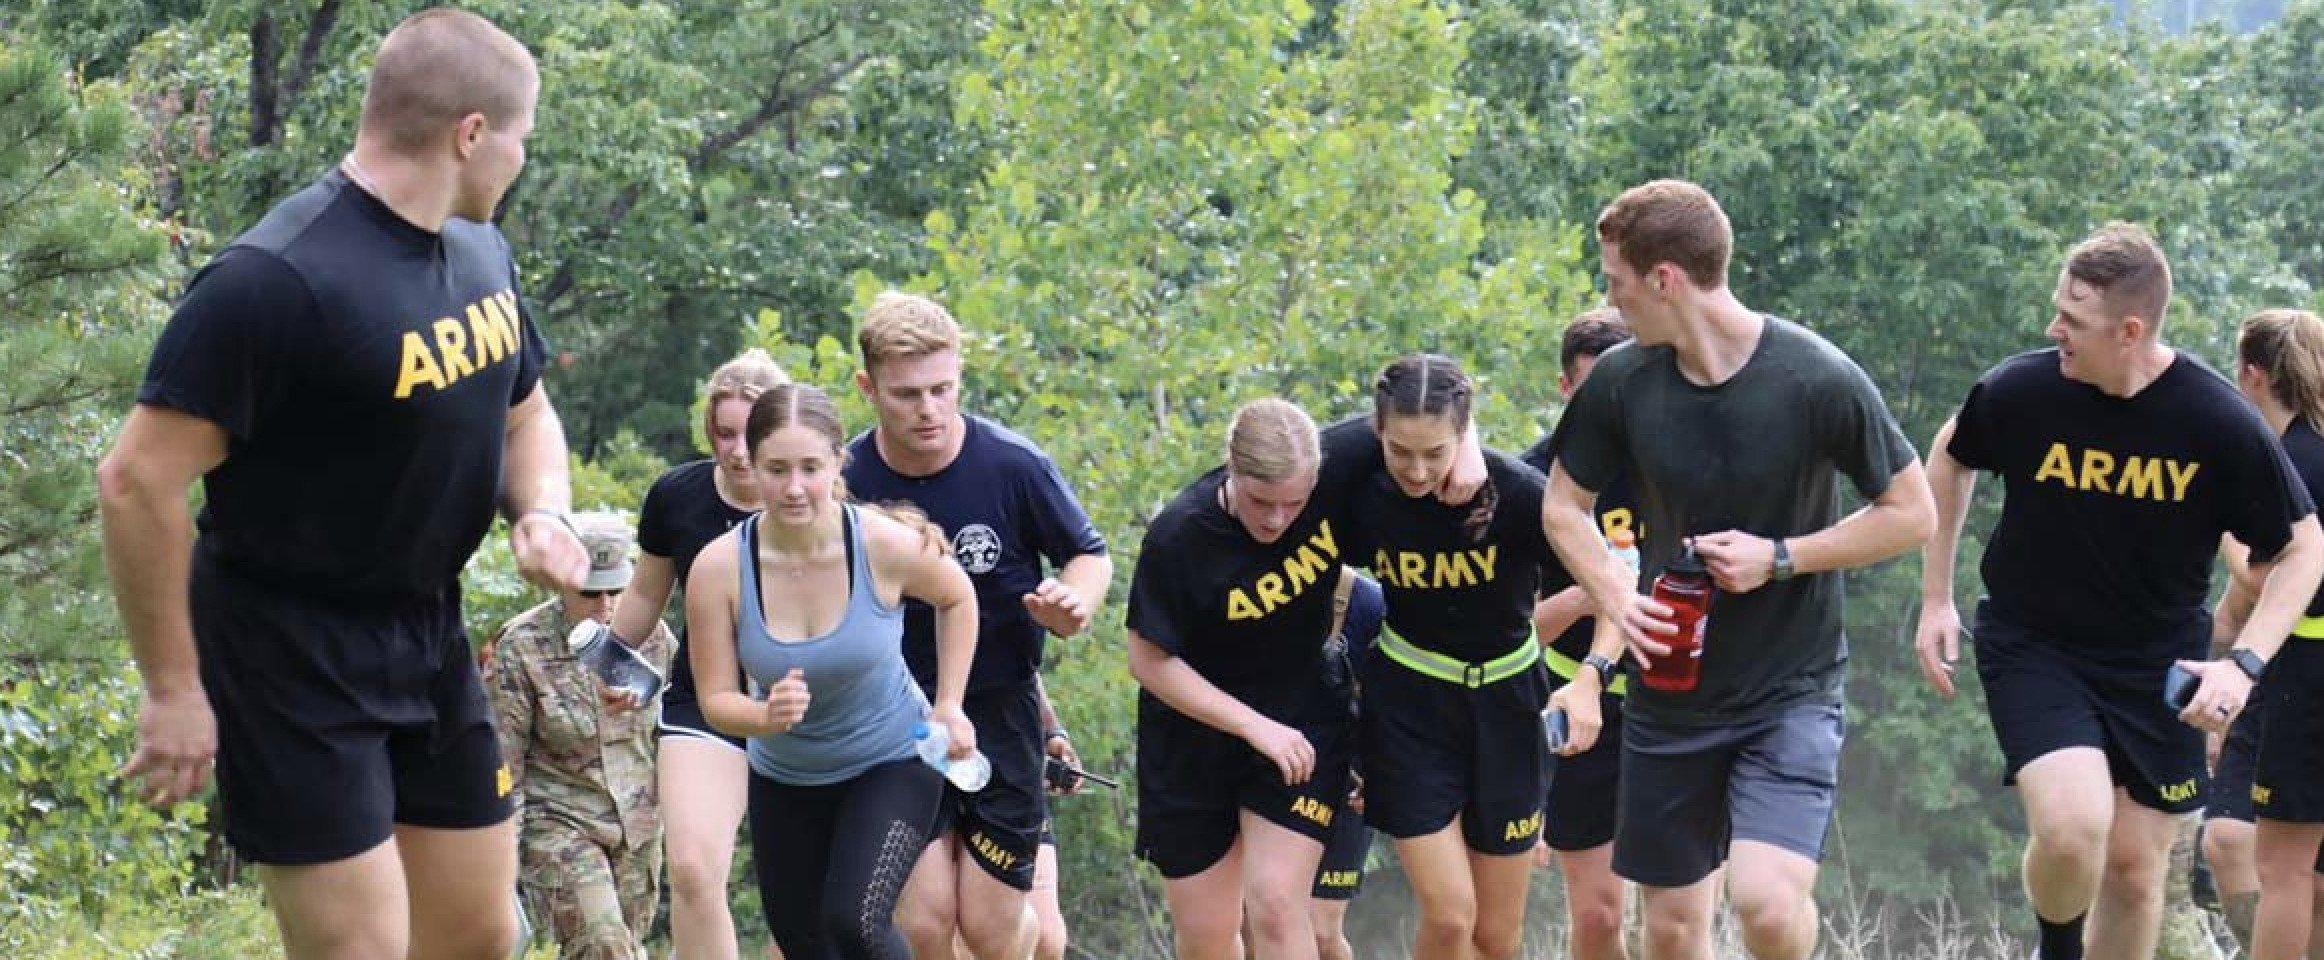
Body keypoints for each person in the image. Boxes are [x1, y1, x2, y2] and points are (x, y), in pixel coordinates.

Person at [99, 10, 574, 959]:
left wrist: (543, 510)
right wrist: (174, 688)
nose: (521, 160)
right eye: (520, 138)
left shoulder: (479, 252)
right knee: (360, 950)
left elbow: (527, 414)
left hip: (427, 634)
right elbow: (135, 482)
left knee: (480, 936)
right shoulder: (273, 281)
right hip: (291, 655)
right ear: (471, 133)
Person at [1542, 179, 1934, 960]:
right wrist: (1619, 596)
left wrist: (1783, 557)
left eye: (1617, 282)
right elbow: (1562, 506)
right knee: (1672, 930)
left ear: (1664, 279)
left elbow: (1912, 512)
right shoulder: (1620, 380)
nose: (1611, 301)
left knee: (1768, 907)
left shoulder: (1815, 377)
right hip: (1670, 698)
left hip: (1788, 691)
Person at [1917, 226, 2324, 960]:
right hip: (2035, 645)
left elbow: (2305, 547)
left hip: (2158, 662)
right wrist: (1936, 597)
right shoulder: (2024, 390)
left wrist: (2244, 666)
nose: (2054, 331)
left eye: (2072, 319)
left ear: (2130, 331)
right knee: (2073, 827)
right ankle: (2058, 948)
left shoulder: (2213, 419)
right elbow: (1950, 456)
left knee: (2135, 872)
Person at [1128, 397, 1480, 960]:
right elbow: (1149, 662)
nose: (1276, 519)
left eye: (1295, 503)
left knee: (1275, 905)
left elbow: (1430, 392)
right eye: (1260, 501)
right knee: (1208, 936)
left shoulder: (1344, 457)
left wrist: (1470, 447)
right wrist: (1252, 726)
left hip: (1303, 721)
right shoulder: (1181, 536)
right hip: (1194, 736)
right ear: (1232, 469)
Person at [839, 291, 1113, 960]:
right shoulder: (847, 480)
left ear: (960, 374)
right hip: (891, 719)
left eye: (942, 389)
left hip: (1001, 710)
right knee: (926, 923)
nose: (928, 409)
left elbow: (1089, 554)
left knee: (992, 931)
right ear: (868, 388)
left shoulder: (1012, 465)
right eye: (907, 394)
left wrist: (1074, 602)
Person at [684, 382, 979, 959]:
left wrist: (950, 703)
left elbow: (958, 597)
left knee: (856, 923)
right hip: (786, 776)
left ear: (838, 463)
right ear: (752, 466)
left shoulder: (883, 545)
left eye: (810, 469)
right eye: (777, 470)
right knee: (805, 946)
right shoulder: (718, 569)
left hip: (894, 758)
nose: (794, 488)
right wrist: (765, 716)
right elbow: (716, 698)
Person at [1349, 353, 1570, 960]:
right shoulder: (1358, 488)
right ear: (1377, 431)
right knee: (1450, 918)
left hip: (1509, 705)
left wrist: (1593, 676)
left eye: (1435, 452)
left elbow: (1611, 579)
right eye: (1400, 451)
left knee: (1497, 937)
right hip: (1409, 706)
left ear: (1464, 431)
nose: (1417, 471)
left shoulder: (1517, 493)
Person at [605, 348, 789, 960]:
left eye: (752, 434)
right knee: (691, 870)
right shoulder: (677, 496)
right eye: (724, 433)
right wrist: (611, 660)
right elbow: (644, 593)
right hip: (705, 700)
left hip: (805, 703)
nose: (738, 451)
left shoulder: (823, 499)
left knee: (805, 897)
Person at [485, 514, 677, 960]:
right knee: (605, 943)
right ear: (563, 584)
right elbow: (503, 765)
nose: (605, 605)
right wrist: (499, 860)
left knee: (622, 947)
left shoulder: (655, 639)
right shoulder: (523, 646)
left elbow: (676, 731)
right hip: (559, 822)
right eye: (590, 593)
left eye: (617, 590)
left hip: (637, 829)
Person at [1520, 307, 1638, 960]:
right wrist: (1588, 590)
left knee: (1678, 920)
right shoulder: (1527, 486)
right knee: (1599, 916)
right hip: (1577, 711)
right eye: (1593, 393)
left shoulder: (1678, 463)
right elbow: (1512, 636)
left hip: (1683, 703)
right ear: (1565, 389)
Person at [2223, 311, 2324, 960]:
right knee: (2317, 876)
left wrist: (2228, 540)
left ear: (2253, 376)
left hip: (2309, 668)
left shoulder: (2290, 463)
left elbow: (2271, 576)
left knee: (2283, 867)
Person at [1307, 568, 1386, 960]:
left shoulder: (1367, 602)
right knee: (1255, 922)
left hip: (1346, 780)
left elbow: (1396, 702)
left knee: (1322, 930)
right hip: (1268, 772)